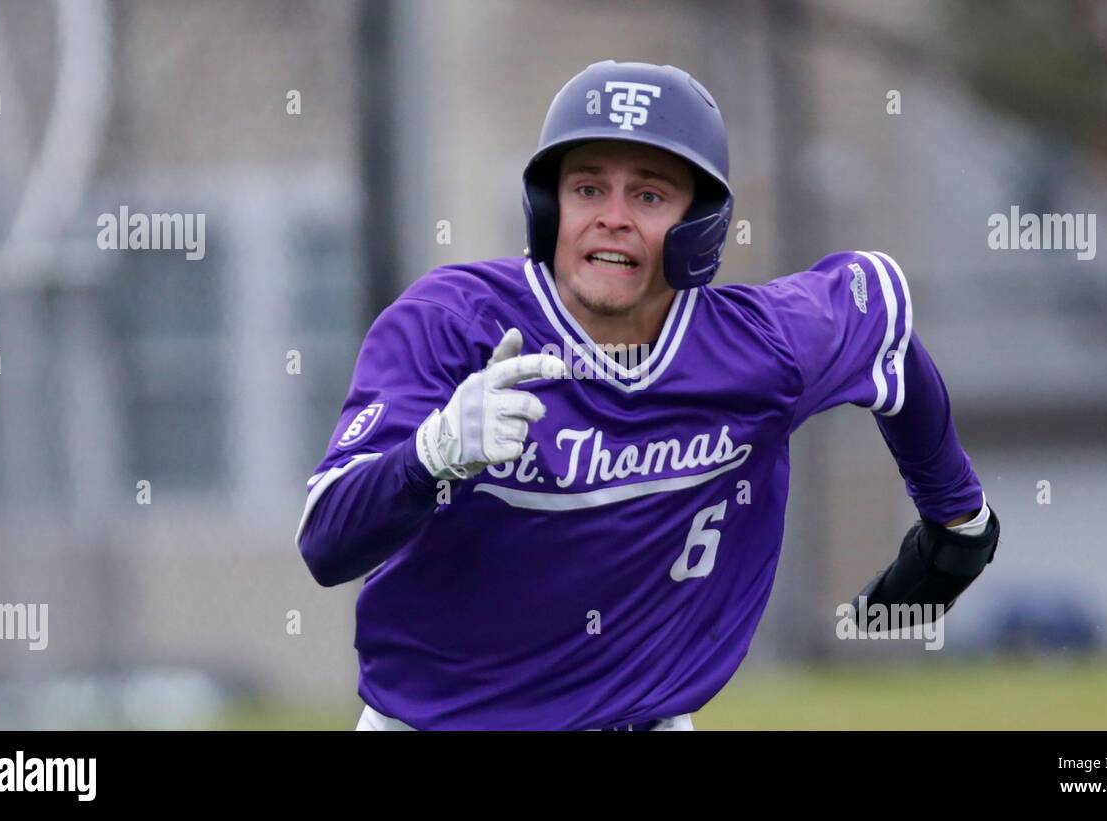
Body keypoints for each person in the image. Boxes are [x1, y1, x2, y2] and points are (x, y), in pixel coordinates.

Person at [297, 60, 1000, 731]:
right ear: (547, 206)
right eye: (587, 188)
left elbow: (885, 335)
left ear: (702, 226)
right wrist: (432, 455)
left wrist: (957, 526)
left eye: (651, 194)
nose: (613, 217)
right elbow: (328, 542)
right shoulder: (451, 324)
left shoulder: (764, 349)